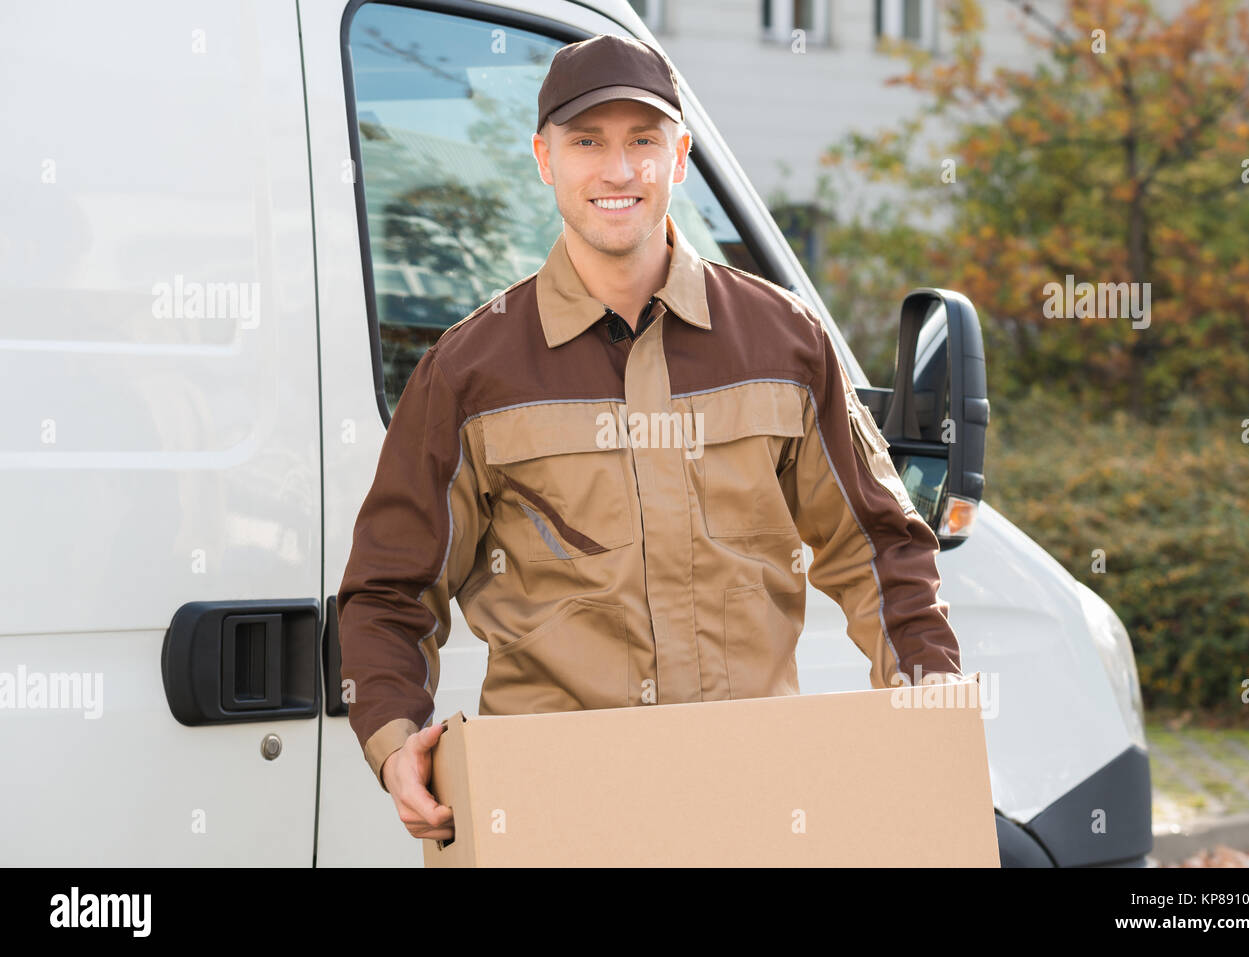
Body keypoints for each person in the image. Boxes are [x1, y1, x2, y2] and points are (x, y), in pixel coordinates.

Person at [337, 34, 963, 845]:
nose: (618, 170)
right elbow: (388, 591)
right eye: (587, 142)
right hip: (549, 809)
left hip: (758, 801)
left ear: (681, 156)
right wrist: (394, 740)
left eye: (643, 140)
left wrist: (929, 700)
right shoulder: (470, 369)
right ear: (543, 157)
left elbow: (879, 547)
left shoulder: (785, 342)